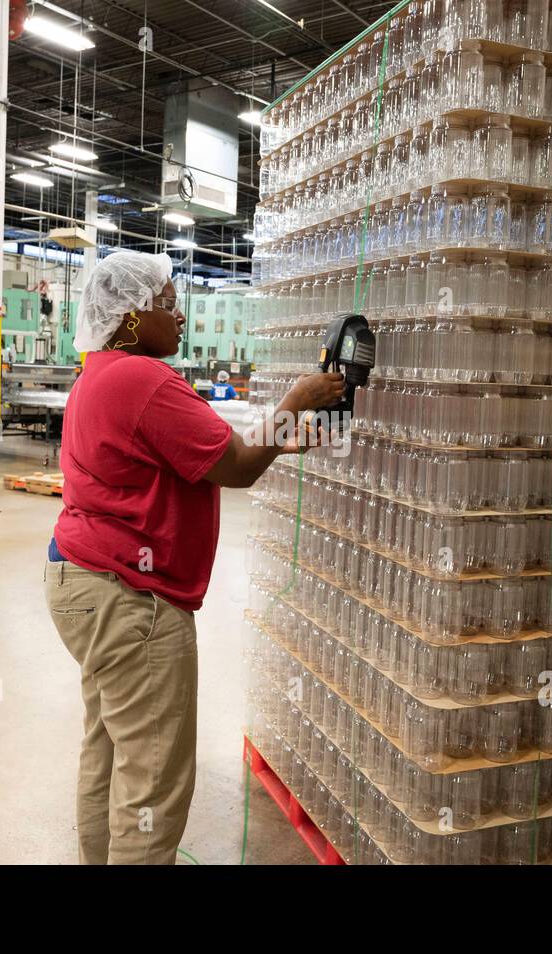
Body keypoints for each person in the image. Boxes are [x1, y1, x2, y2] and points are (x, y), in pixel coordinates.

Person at [45, 250, 343, 865]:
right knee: (153, 779)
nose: (181, 318)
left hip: (82, 581)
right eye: (168, 304)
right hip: (131, 600)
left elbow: (203, 458)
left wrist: (281, 440)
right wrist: (299, 398)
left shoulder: (97, 374)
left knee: (108, 748)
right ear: (130, 316)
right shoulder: (144, 380)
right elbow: (233, 465)